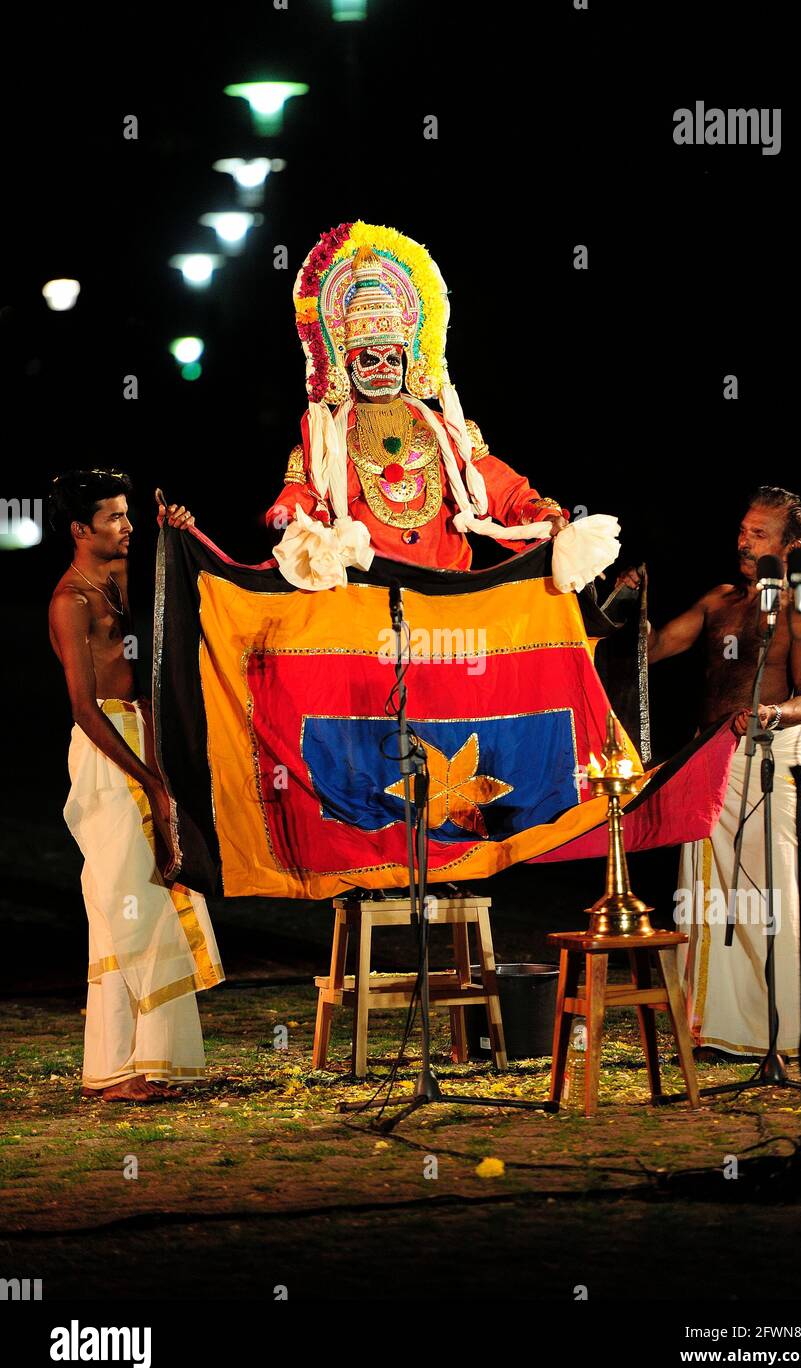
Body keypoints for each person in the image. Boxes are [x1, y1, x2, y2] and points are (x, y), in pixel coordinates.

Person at [615, 486, 801, 1059]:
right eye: (743, 529)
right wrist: (632, 605)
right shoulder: (718, 601)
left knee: (777, 888)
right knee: (709, 894)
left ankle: (784, 1032)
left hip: (773, 758)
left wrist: (769, 713)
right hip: (710, 760)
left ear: (791, 547)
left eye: (759, 534)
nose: (743, 540)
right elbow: (651, 650)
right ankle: (719, 1030)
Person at [266, 224, 574, 584]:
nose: (383, 369)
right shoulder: (325, 446)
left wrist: (541, 515)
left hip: (450, 593)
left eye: (392, 359)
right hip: (368, 598)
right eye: (370, 359)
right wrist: (292, 528)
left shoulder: (446, 432)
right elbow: (291, 511)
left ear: (406, 359)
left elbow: (504, 491)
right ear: (347, 364)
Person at [48, 471, 224, 1101]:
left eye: (129, 515)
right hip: (107, 753)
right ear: (79, 530)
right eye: (115, 518)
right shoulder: (71, 601)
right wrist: (149, 781)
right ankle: (143, 1064)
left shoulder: (122, 580)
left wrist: (180, 534)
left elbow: (178, 598)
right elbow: (84, 709)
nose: (127, 527)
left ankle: (122, 1065)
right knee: (134, 902)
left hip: (146, 739)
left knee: (138, 901)